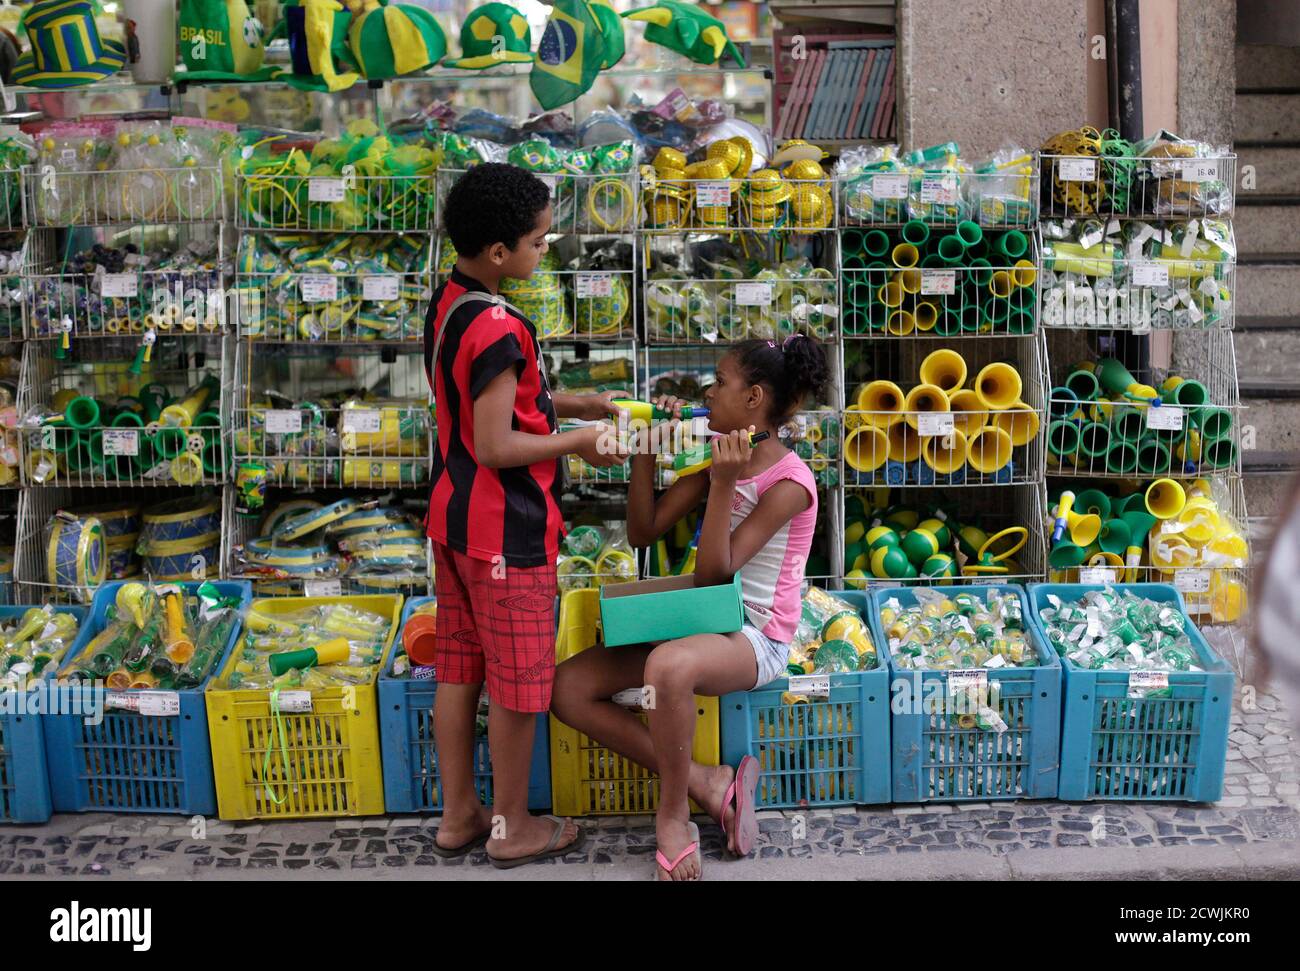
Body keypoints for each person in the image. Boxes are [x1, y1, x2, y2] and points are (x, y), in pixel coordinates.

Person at [551, 335, 830, 880]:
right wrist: (648, 446)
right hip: (702, 619)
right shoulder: (715, 456)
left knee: (666, 667)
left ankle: (675, 816)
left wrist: (722, 483)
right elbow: (641, 531)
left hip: (753, 637)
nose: (706, 391)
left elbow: (716, 575)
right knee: (566, 690)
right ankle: (706, 782)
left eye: (719, 382)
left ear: (753, 399)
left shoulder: (789, 483)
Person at [424, 162, 627, 868]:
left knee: (460, 670)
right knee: (516, 685)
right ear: (501, 253)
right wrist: (584, 441)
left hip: (453, 524)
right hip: (505, 532)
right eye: (540, 241)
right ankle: (512, 823)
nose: (548, 250)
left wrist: (579, 403)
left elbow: (495, 401)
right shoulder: (501, 327)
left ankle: (460, 815)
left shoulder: (453, 301)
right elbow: (496, 442)